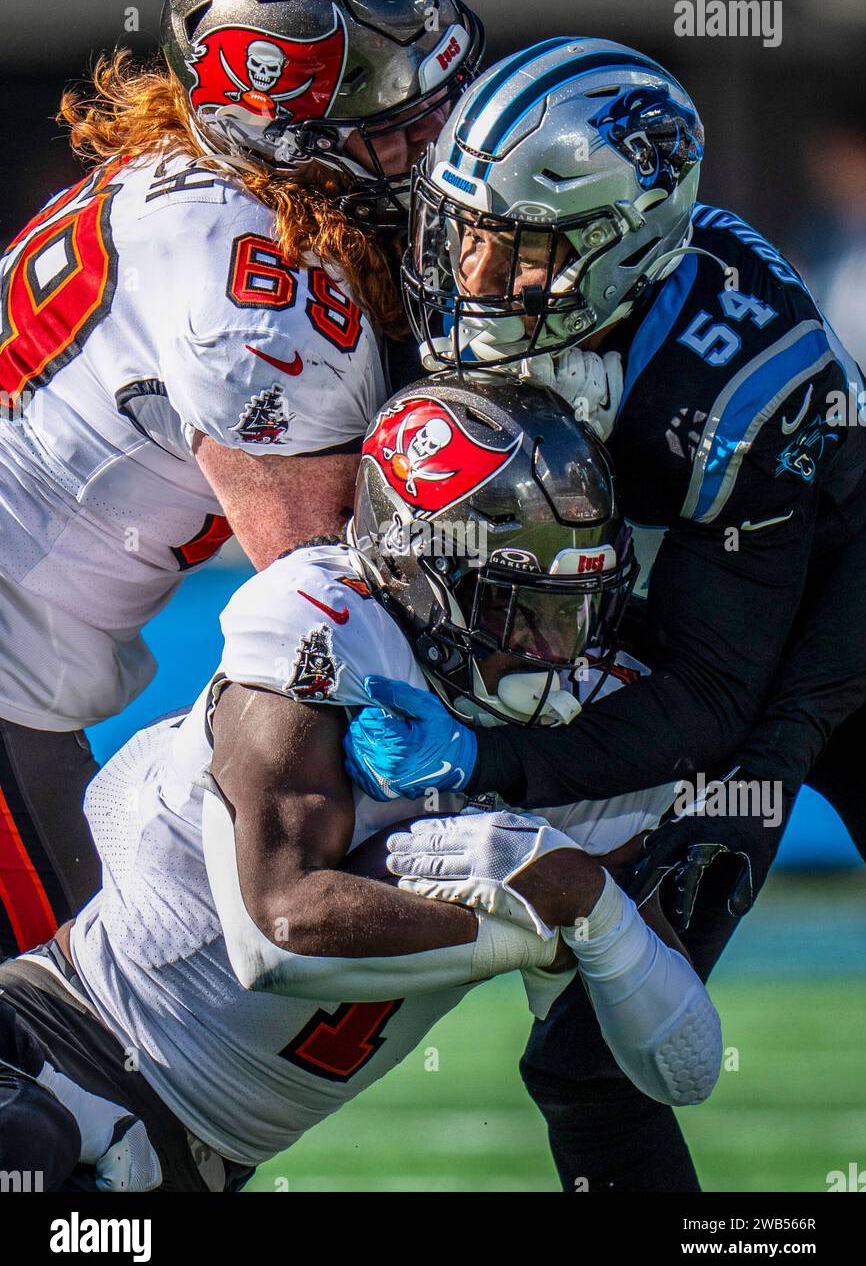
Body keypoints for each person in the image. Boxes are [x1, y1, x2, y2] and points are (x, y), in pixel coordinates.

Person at [343, 38, 866, 1190]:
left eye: (515, 251)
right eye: (459, 229)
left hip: (822, 631)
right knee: (589, 1060)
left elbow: (716, 696)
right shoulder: (534, 295)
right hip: (688, 617)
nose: (469, 273)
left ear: (618, 249)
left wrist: (489, 753)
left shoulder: (734, 391)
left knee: (597, 1055)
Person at [0, 377, 722, 1190]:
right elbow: (275, 929)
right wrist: (525, 911)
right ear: (415, 571)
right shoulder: (326, 621)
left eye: (571, 610)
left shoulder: (598, 743)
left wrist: (592, 908)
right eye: (511, 606)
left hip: (195, 1160)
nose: (550, 649)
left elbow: (680, 1069)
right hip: (53, 1042)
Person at [0, 0, 483, 956]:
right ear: (279, 127)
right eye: (391, 126)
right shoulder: (256, 291)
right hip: (8, 680)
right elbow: (315, 593)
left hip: (22, 668)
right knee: (67, 1036)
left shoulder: (200, 180)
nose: (427, 148)